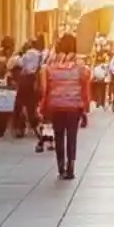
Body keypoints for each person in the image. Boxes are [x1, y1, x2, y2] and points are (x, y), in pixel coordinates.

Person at [40, 33, 91, 180]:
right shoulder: (80, 67)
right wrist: (85, 106)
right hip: (74, 106)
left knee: (59, 136)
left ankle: (60, 167)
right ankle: (71, 168)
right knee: (72, 137)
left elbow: (45, 88)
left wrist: (44, 106)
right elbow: (85, 84)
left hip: (56, 106)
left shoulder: (50, 67)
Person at [14, 39, 43, 142]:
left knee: (20, 104)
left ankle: (20, 128)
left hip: (24, 80)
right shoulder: (39, 55)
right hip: (33, 80)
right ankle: (35, 127)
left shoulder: (27, 54)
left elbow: (20, 63)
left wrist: (18, 55)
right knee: (32, 106)